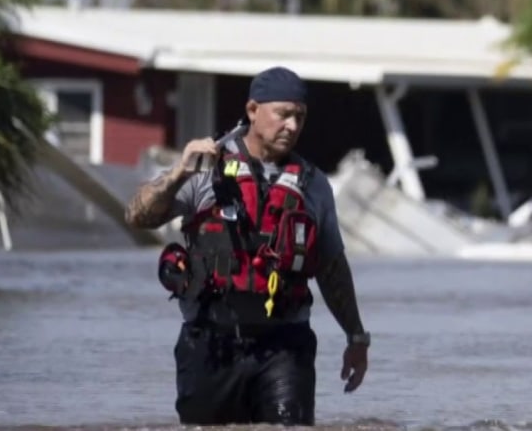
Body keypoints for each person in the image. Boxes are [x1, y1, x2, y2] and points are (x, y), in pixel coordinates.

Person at [124, 66, 370, 426]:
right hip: (211, 344)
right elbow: (137, 216)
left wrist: (356, 337)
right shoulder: (205, 168)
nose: (292, 125)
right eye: (283, 114)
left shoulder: (314, 185)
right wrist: (178, 174)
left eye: (299, 117)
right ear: (253, 110)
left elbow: (331, 267)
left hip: (285, 346)